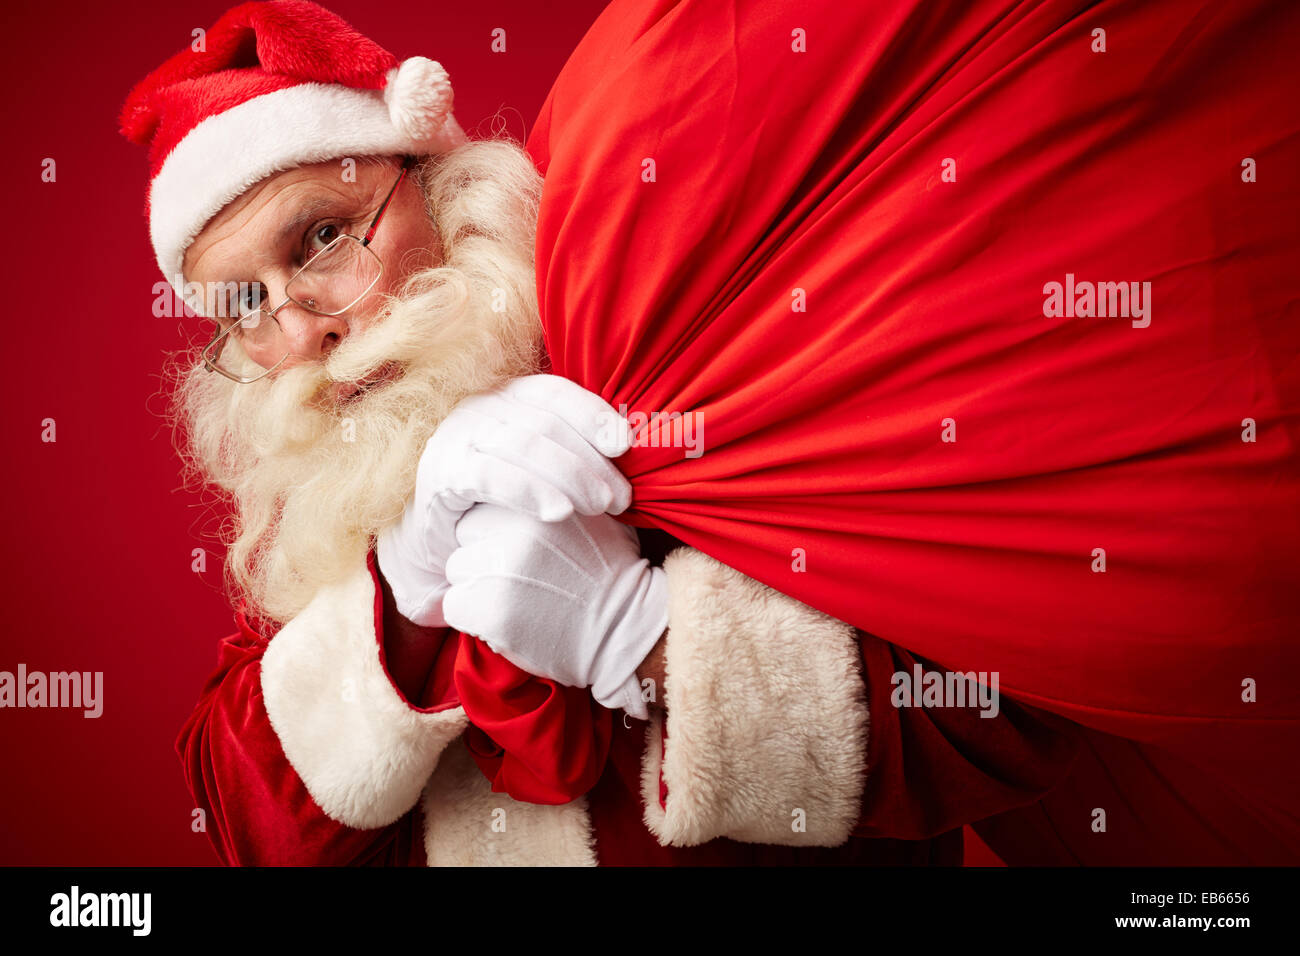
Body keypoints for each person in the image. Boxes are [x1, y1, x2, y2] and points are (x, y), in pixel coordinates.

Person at [123, 0, 1076, 865]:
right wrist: (399, 599)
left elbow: (1005, 714)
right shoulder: (320, 513)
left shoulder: (699, 343)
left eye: (324, 236)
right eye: (244, 302)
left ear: (441, 180)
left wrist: (643, 640)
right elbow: (244, 822)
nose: (303, 334)